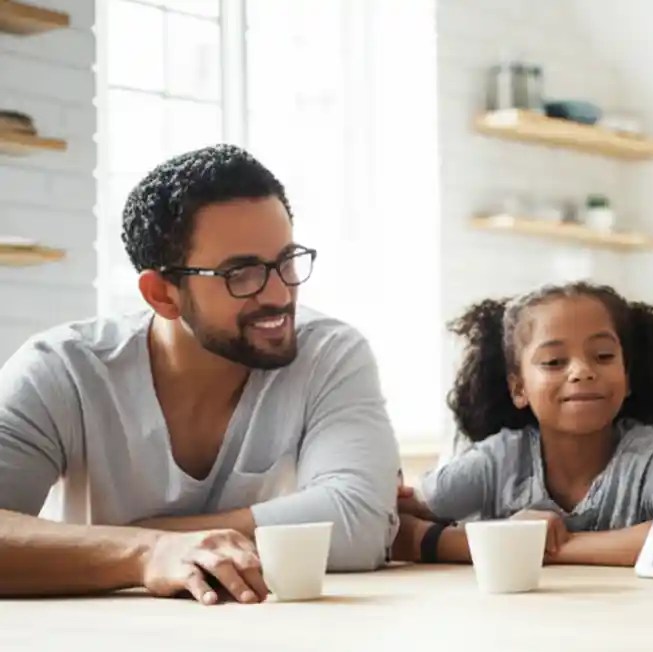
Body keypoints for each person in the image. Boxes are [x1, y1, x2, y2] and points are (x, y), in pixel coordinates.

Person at [0, 145, 400, 604]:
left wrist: (125, 538)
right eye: (241, 273)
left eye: (286, 261)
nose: (278, 293)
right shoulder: (62, 370)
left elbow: (360, 523)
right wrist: (145, 553)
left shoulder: (330, 354)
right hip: (97, 651)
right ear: (162, 294)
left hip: (280, 640)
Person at [392, 282, 653, 567]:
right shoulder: (499, 461)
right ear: (519, 389)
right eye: (554, 362)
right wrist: (503, 538)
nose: (581, 371)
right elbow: (393, 524)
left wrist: (531, 546)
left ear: (628, 377)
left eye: (603, 356)